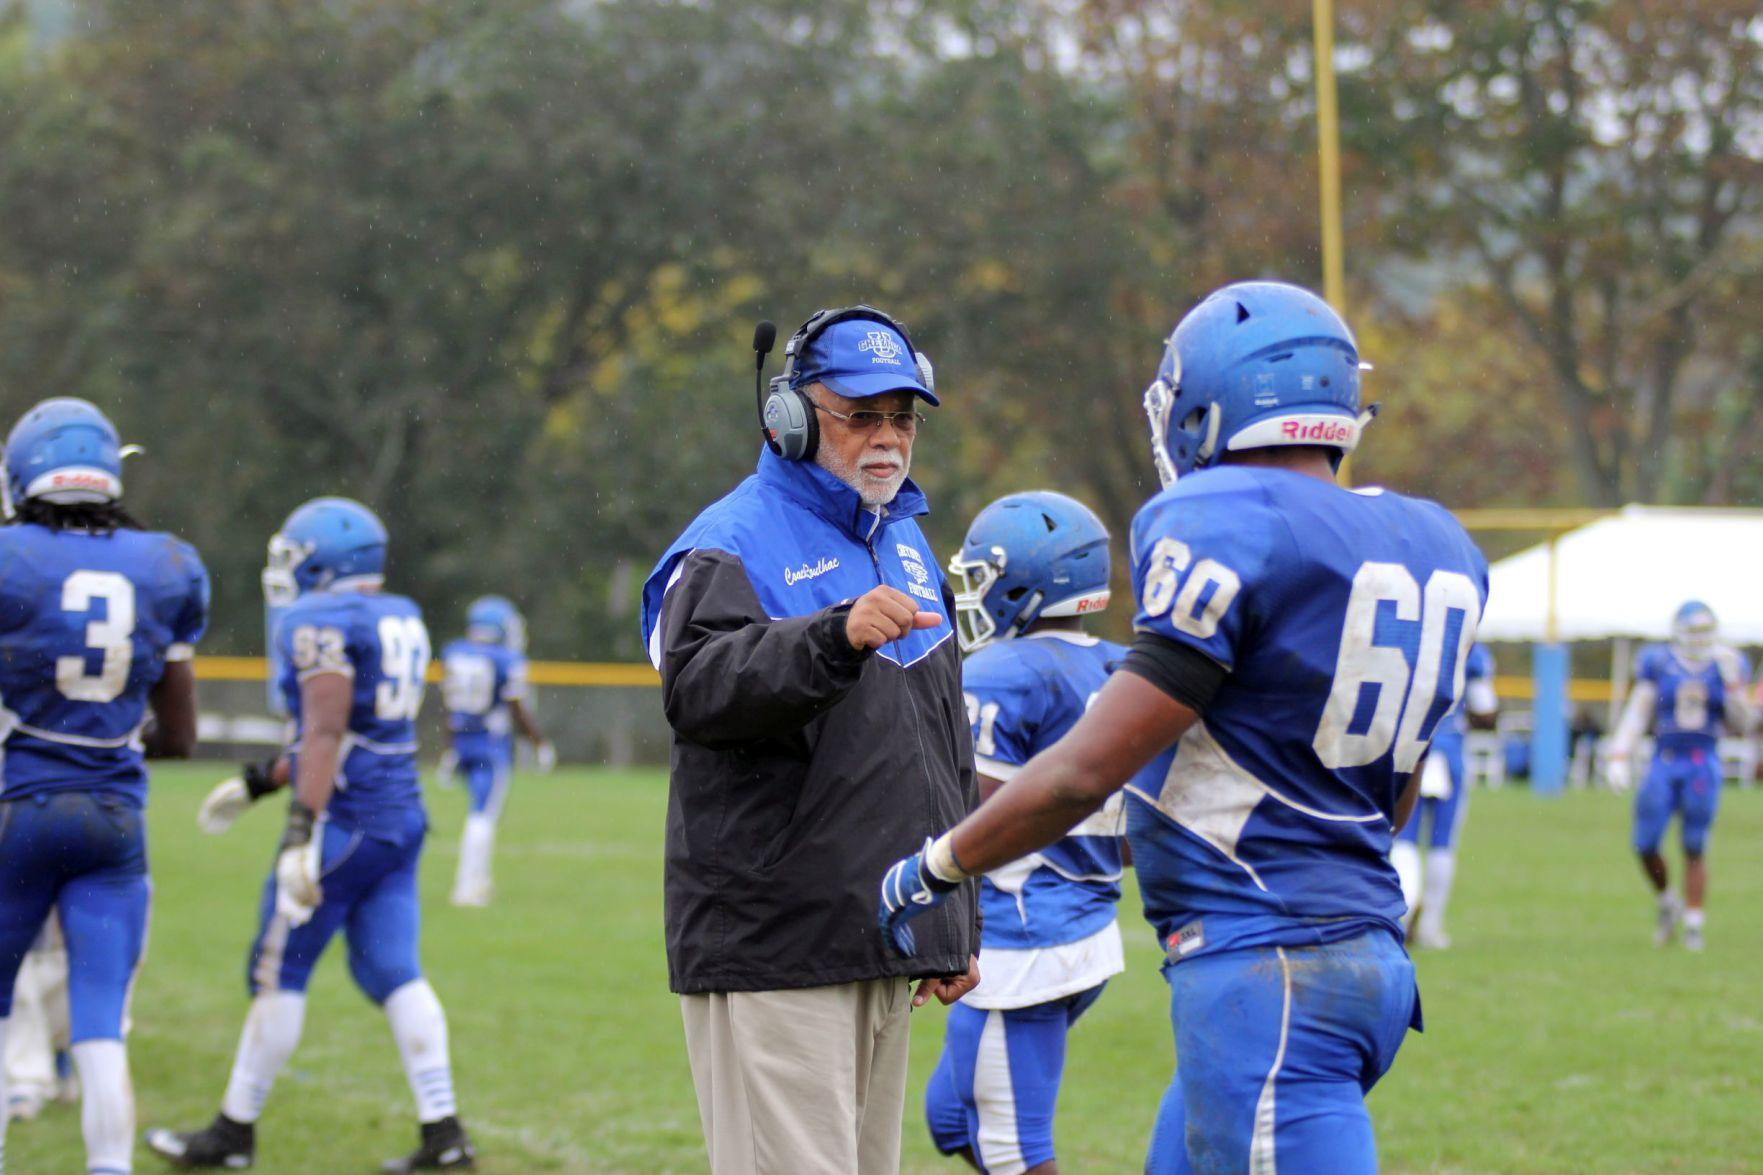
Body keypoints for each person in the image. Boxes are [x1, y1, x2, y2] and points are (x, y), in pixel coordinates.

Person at [879, 281, 1489, 1173]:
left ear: (1209, 405)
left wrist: (933, 866)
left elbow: (1083, 772)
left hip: (1269, 968)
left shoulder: (1226, 519)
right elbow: (1388, 802)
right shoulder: (1427, 538)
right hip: (1364, 961)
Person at [640, 305, 981, 1175]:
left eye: (900, 418)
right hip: (776, 946)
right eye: (859, 414)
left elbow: (937, 748)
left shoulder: (903, 542)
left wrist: (951, 919)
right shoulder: (726, 542)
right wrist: (831, 636)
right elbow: (699, 687)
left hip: (881, 934)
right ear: (788, 417)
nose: (886, 438)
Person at [148, 498, 475, 1172]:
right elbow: (351, 733)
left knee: (277, 972)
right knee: (393, 969)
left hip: (345, 823)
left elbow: (325, 730)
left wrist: (300, 827)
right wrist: (259, 781)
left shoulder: (320, 619)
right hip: (398, 818)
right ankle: (445, 1132)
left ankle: (232, 1132)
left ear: (323, 561)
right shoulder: (399, 613)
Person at [0, 397, 209, 1175]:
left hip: (18, 807)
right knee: (98, 1026)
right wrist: (102, 748)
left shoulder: (10, 557)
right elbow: (181, 736)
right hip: (116, 816)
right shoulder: (169, 565)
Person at [925, 491, 1127, 1175]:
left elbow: (968, 814)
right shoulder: (1120, 665)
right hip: (1085, 918)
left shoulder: (1003, 671)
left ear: (1025, 582)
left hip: (1022, 937)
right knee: (950, 1115)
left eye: (981, 575)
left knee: (1011, 1146)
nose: (973, 591)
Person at [1605, 601, 1750, 950]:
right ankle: (1668, 901)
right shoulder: (1660, 662)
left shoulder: (1726, 664)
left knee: (1695, 845)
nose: (1700, 640)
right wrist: (1620, 753)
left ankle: (1695, 924)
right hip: (1665, 759)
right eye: (1694, 632)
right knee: (1645, 843)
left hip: (1703, 761)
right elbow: (1639, 711)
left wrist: (1733, 688)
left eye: (1705, 632)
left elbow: (1745, 724)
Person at [439, 595, 553, 907]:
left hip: (462, 740)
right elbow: (517, 709)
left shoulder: (455, 652)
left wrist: (448, 750)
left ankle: (478, 881)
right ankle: (468, 886)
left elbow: (449, 706)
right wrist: (539, 743)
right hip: (489, 743)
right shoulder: (505, 660)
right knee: (482, 815)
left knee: (479, 812)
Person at [1390, 643, 1497, 949]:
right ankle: (1430, 925)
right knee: (1441, 842)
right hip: (1448, 750)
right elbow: (1484, 708)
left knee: (1403, 838)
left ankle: (1405, 912)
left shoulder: (1402, 628)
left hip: (1407, 749)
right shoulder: (1469, 648)